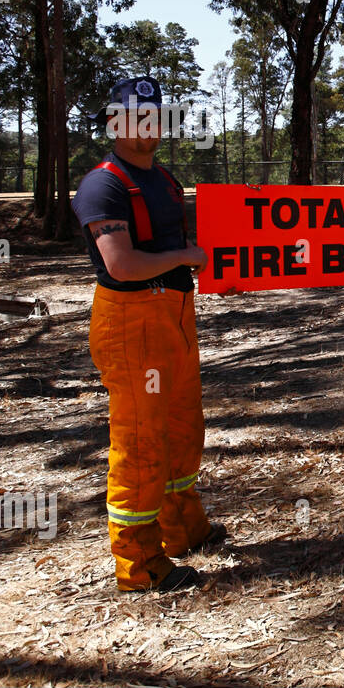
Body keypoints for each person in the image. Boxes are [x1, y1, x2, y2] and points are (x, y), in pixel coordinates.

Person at [71, 76, 225, 592]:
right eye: (134, 117)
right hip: (132, 320)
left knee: (183, 424)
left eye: (155, 116)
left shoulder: (165, 180)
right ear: (114, 123)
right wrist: (186, 257)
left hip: (175, 315)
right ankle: (139, 563)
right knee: (141, 438)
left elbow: (179, 246)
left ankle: (182, 527)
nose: (147, 127)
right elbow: (121, 262)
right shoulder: (103, 184)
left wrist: (219, 268)